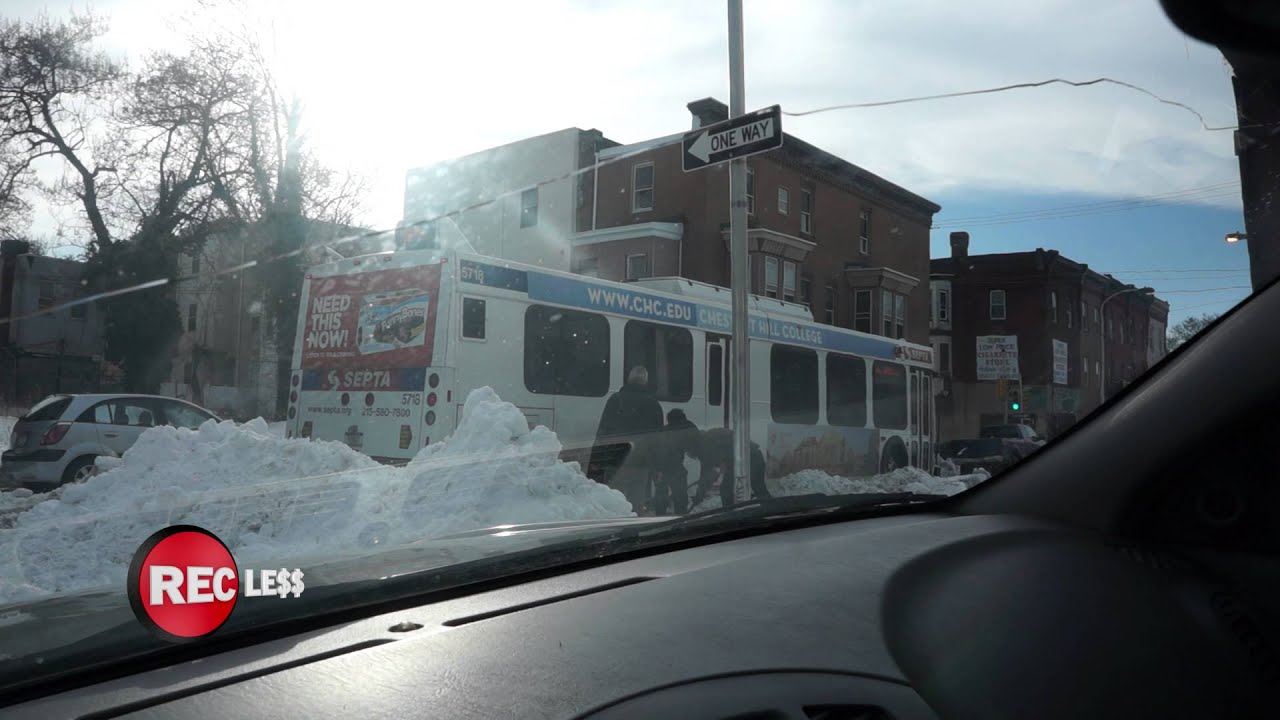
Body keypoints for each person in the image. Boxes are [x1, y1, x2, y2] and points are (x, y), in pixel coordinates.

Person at [591, 366, 665, 513]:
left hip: (616, 462)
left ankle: (613, 532)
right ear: (645, 382)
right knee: (636, 505)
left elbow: (603, 433)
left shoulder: (615, 400)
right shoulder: (654, 405)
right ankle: (633, 533)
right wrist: (658, 467)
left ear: (629, 380)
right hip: (641, 465)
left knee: (614, 505)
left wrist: (595, 460)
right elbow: (658, 441)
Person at [691, 427, 771, 509]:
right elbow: (709, 473)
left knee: (726, 491)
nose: (689, 454)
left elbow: (706, 475)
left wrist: (699, 497)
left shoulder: (704, 446)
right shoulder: (709, 436)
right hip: (755, 456)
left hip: (747, 459)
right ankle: (771, 508)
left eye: (688, 451)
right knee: (760, 489)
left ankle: (728, 514)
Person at [654, 408, 700, 515]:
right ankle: (681, 517)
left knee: (661, 493)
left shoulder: (664, 430)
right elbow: (695, 441)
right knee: (679, 495)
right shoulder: (686, 427)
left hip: (659, 466)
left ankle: (659, 517)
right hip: (673, 467)